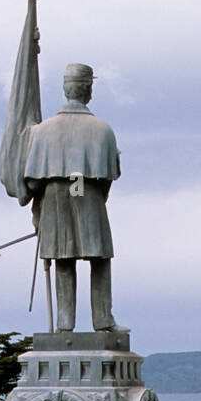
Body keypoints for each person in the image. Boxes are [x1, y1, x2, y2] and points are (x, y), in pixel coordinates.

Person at [23, 63, 122, 332]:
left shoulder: (42, 131)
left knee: (63, 258)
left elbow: (32, 180)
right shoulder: (102, 130)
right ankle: (102, 319)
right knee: (98, 258)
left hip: (56, 195)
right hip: (86, 191)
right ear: (88, 89)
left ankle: (65, 322)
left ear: (65, 89)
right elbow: (109, 176)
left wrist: (38, 208)